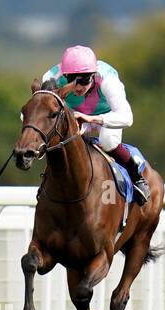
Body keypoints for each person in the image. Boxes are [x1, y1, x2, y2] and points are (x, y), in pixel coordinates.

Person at [37, 45, 149, 204]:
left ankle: (137, 177)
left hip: (109, 116)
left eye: (83, 81)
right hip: (76, 115)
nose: (78, 87)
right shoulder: (51, 77)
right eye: (72, 80)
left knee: (108, 141)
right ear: (65, 75)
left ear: (93, 75)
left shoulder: (108, 80)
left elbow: (127, 118)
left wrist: (90, 119)